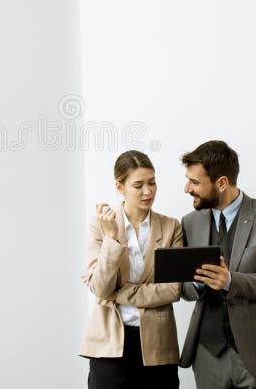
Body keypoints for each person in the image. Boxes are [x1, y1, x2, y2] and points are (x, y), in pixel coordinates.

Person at [179, 140, 256, 388]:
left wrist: (229, 281)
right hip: (208, 354)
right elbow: (185, 288)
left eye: (195, 182)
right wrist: (198, 284)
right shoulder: (190, 222)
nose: (187, 188)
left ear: (221, 183)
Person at [80, 150, 182, 389]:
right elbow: (101, 287)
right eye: (138, 185)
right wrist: (112, 238)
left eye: (152, 183)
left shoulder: (171, 227)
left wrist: (118, 294)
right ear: (120, 186)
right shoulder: (100, 225)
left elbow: (173, 289)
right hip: (109, 343)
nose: (148, 191)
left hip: (158, 343)